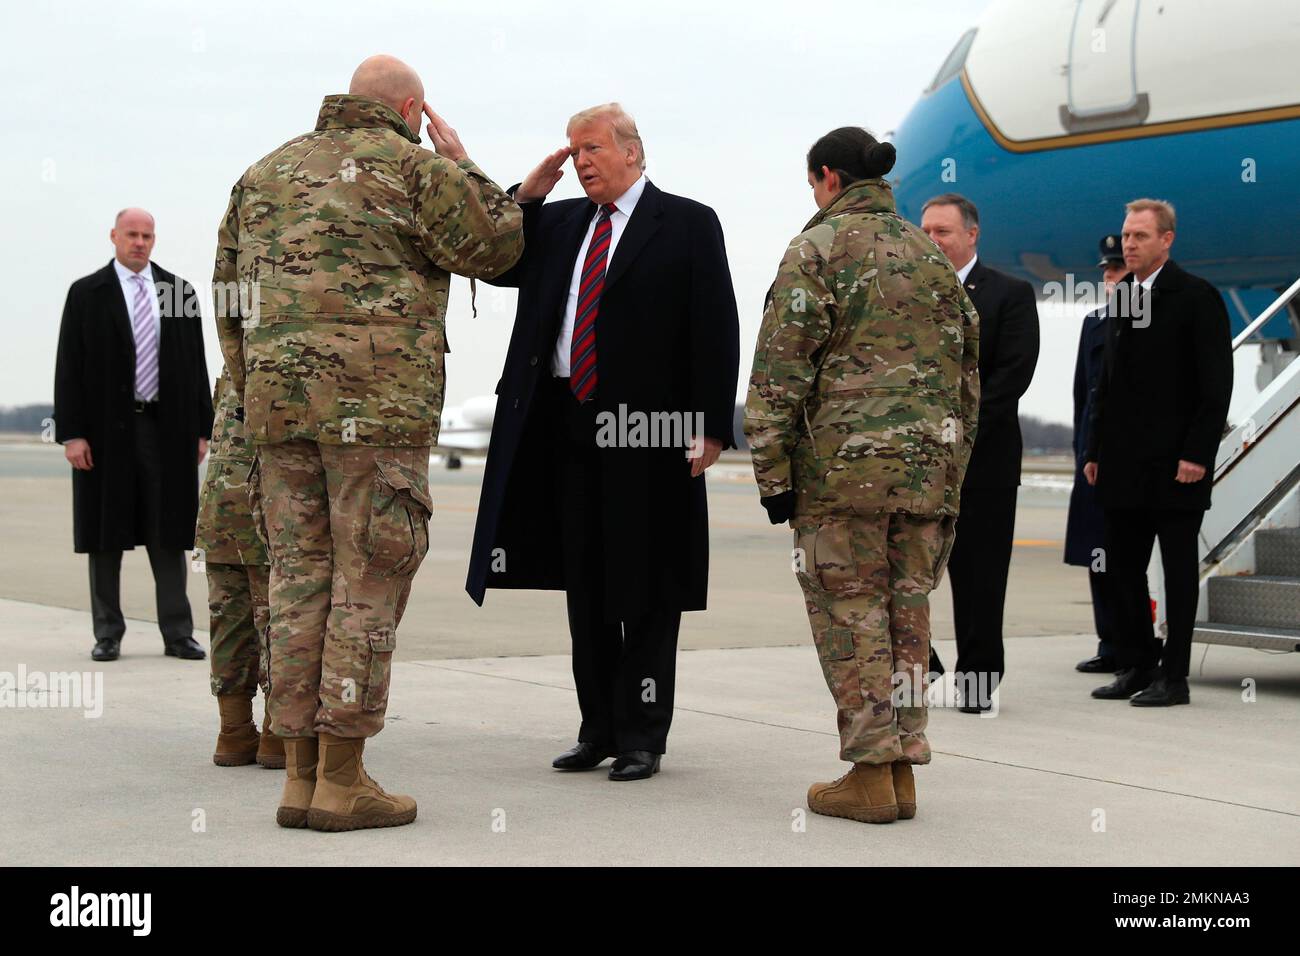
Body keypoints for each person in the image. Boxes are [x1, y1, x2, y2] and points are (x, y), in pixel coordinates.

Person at [214, 54, 523, 830]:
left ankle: (299, 777)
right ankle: (344, 779)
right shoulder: (416, 168)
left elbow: (226, 296)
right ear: (411, 107)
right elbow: (501, 246)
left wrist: (256, 382)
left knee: (295, 582)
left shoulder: (261, 176)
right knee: (367, 584)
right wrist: (465, 164)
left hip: (277, 414)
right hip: (378, 415)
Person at [465, 103, 740, 781]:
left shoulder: (687, 223)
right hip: (563, 422)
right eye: (573, 150)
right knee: (583, 582)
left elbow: (715, 325)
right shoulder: (558, 222)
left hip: (651, 432)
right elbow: (496, 265)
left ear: (632, 153)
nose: (581, 160)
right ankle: (597, 728)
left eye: (591, 148)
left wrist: (710, 425)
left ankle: (643, 734)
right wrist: (526, 195)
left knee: (647, 583)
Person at [746, 127, 979, 823]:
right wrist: (951, 475)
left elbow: (779, 374)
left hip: (843, 481)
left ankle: (870, 775)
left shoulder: (816, 249)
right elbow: (969, 384)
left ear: (827, 177)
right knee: (909, 615)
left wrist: (773, 475)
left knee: (850, 617)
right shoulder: (934, 259)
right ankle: (903, 766)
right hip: (927, 478)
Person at [1086, 199, 1232, 707]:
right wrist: (1094, 447)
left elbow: (1215, 386)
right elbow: (1107, 382)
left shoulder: (1196, 296)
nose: (1129, 244)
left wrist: (1197, 454)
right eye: (1126, 236)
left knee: (1176, 573)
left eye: (1140, 237)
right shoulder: (1124, 293)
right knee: (1122, 568)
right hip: (1122, 462)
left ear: (1166, 240)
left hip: (1176, 467)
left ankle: (1175, 677)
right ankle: (1137, 663)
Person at [54, 208, 213, 663]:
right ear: (114, 237)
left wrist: (202, 428)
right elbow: (69, 367)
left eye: (147, 235)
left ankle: (178, 634)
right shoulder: (87, 294)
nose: (139, 242)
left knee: (169, 534)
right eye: (131, 235)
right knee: (106, 534)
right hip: (106, 434)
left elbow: (195, 366)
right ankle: (108, 633)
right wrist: (73, 434)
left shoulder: (178, 292)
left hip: (169, 430)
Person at [921, 193, 1039, 712]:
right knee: (896, 571)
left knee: (980, 578)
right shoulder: (907, 293)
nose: (931, 240)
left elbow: (1011, 377)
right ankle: (921, 666)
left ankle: (977, 681)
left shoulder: (1009, 294)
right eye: (925, 231)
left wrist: (953, 432)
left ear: (972, 235)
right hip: (916, 462)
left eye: (942, 231)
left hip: (983, 462)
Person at [1066, 235, 1158, 674]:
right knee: (1096, 556)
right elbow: (1082, 395)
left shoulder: (1148, 320)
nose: (1108, 278)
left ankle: (1133, 646)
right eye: (1105, 272)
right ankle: (1109, 643)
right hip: (1092, 458)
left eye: (1116, 270)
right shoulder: (1095, 322)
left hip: (1127, 460)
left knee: (1124, 558)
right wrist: (1081, 450)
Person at [194, 368, 281, 769]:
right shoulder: (283, 352)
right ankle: (278, 734)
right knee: (278, 621)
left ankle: (233, 733)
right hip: (268, 501)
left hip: (219, 504)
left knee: (228, 622)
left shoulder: (232, 365)